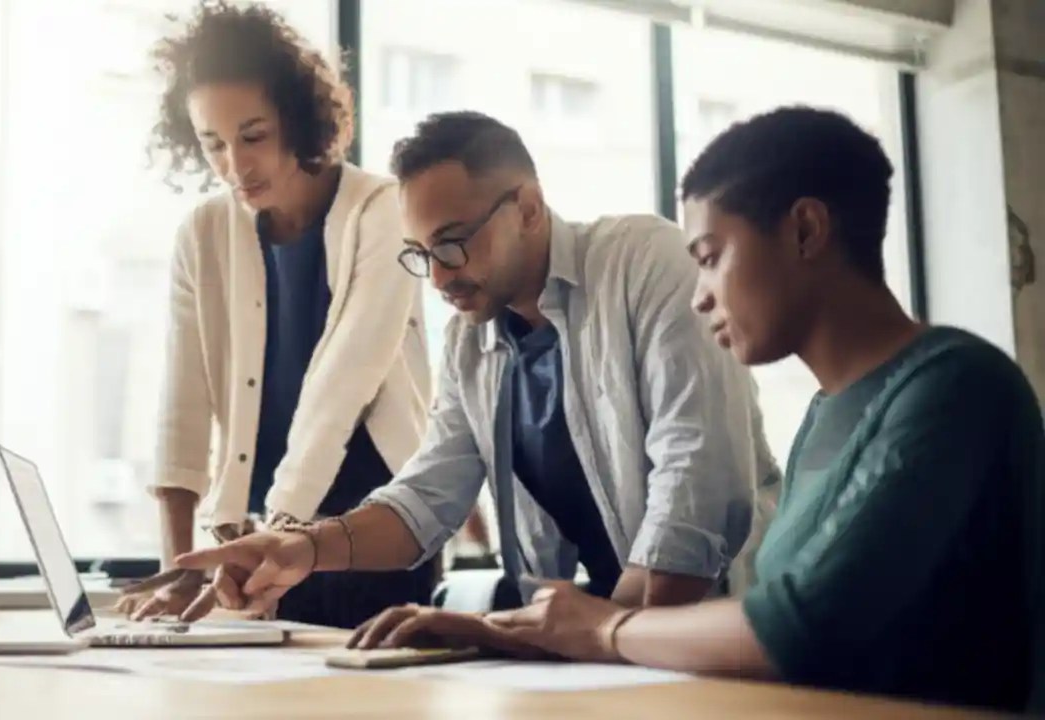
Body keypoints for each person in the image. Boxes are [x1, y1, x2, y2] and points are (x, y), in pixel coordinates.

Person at [352, 107, 1045, 714]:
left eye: (710, 258)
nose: (699, 294)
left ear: (805, 230)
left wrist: (598, 629)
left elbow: (796, 626)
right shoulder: (825, 418)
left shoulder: (954, 388)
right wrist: (514, 631)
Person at [174, 111, 776, 619]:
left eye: (454, 242)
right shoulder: (474, 339)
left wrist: (600, 640)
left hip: (737, 629)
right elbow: (427, 498)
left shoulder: (645, 260)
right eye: (422, 254)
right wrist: (298, 549)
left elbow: (694, 483)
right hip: (623, 639)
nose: (438, 277)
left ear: (530, 208)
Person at [114, 1, 435, 629]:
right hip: (259, 543)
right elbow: (180, 414)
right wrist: (182, 570)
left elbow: (342, 384)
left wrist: (274, 535)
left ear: (296, 117)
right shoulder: (203, 234)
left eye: (253, 136)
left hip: (374, 535)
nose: (235, 165)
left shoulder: (384, 211)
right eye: (214, 144)